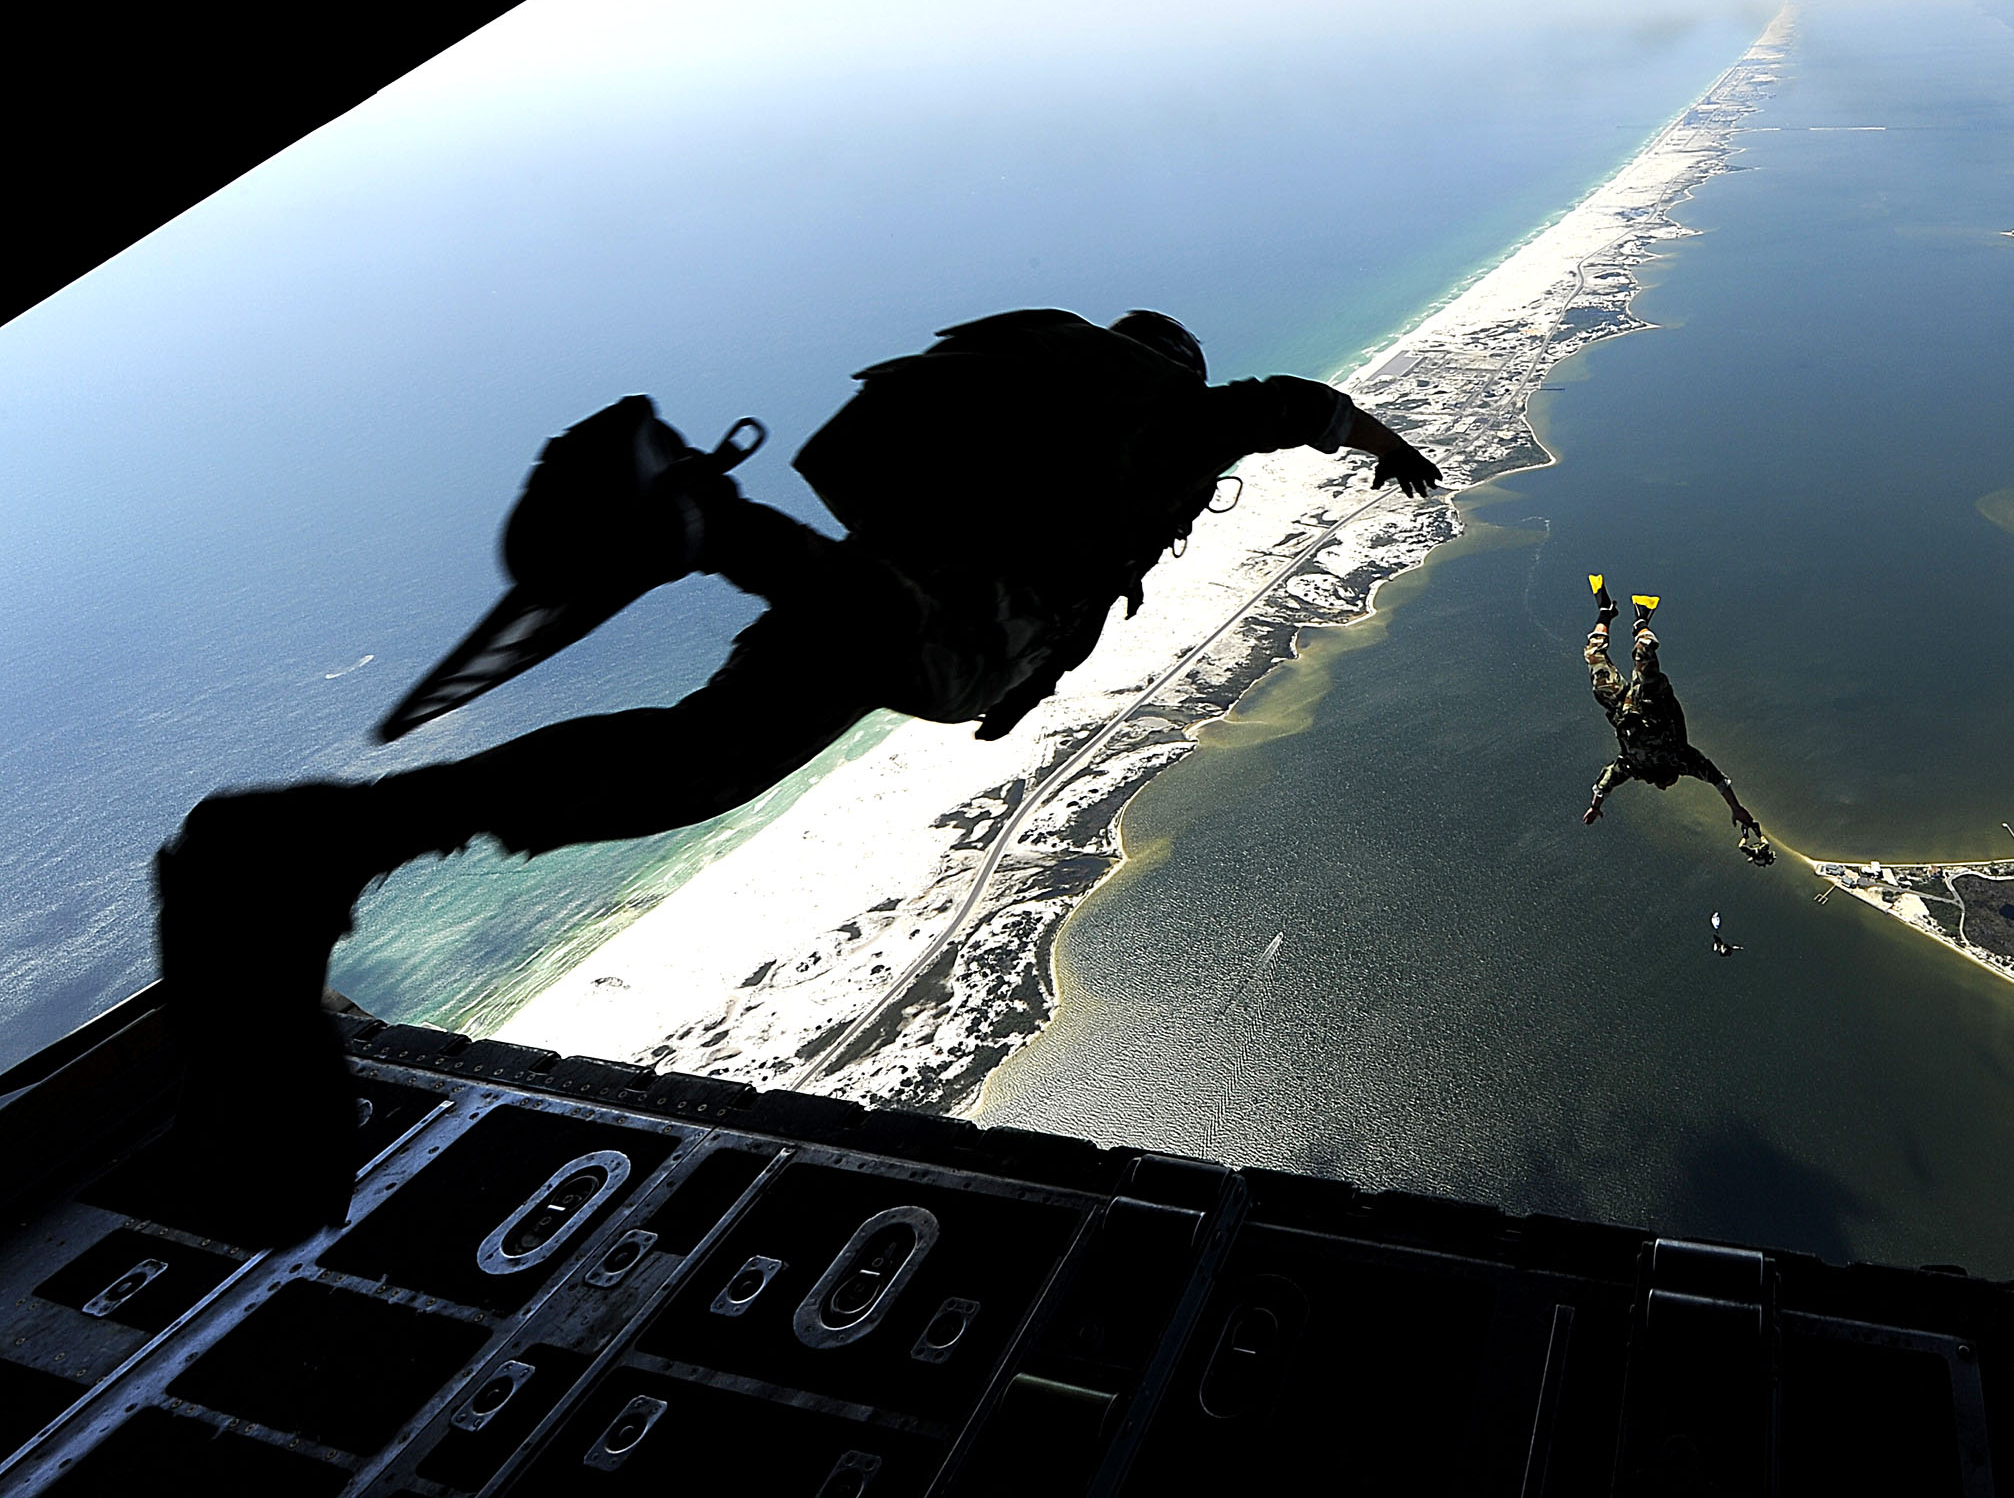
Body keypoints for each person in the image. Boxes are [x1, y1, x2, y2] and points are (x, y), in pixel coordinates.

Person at [153, 308, 1442, 1243]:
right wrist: (1382, 441)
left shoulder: (1040, 402)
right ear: (1172, 370)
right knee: (943, 677)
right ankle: (699, 520)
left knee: (698, 763)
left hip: (867, 578)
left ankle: (345, 835)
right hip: (938, 605)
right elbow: (1295, 407)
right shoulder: (1174, 419)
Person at [1580, 577, 1772, 865]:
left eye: (1664, 786)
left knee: (1595, 655)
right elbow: (1717, 779)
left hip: (1623, 707)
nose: (1666, 787)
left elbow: (1605, 783)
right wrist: (1736, 808)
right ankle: (1640, 621)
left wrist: (1596, 805)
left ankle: (1606, 612)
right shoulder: (1681, 759)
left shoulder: (1633, 766)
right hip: (1652, 700)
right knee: (1644, 649)